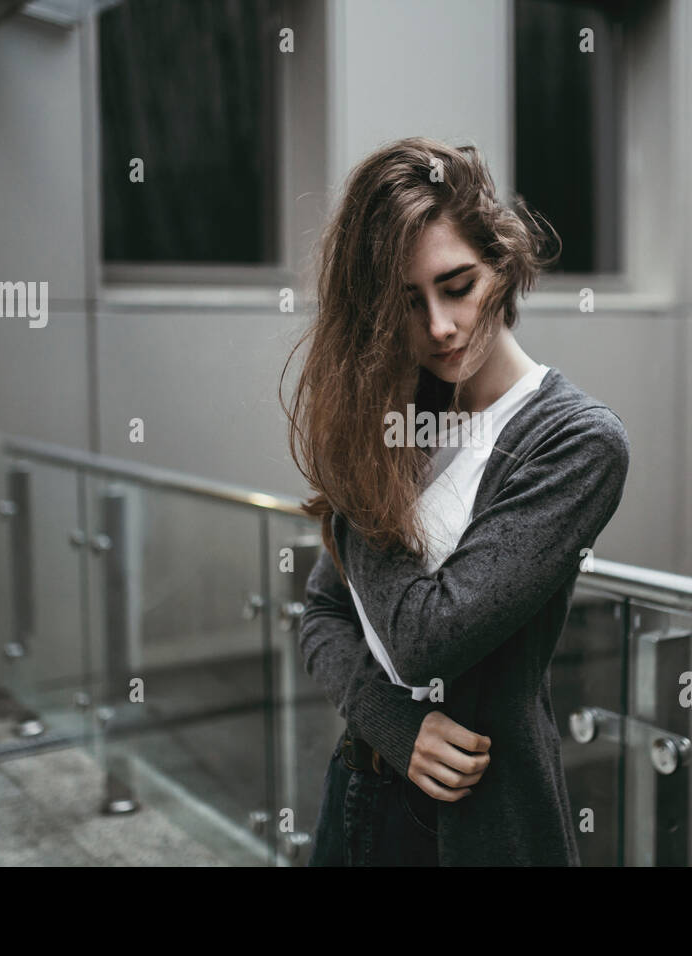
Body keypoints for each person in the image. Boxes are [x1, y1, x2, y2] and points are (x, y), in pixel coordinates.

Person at [281, 136, 630, 866]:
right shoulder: (406, 416)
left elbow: (423, 639)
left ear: (502, 265)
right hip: (357, 788)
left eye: (458, 285)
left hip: (474, 825)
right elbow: (321, 613)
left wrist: (357, 455)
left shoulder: (575, 441)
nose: (439, 326)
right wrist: (392, 724)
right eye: (408, 304)